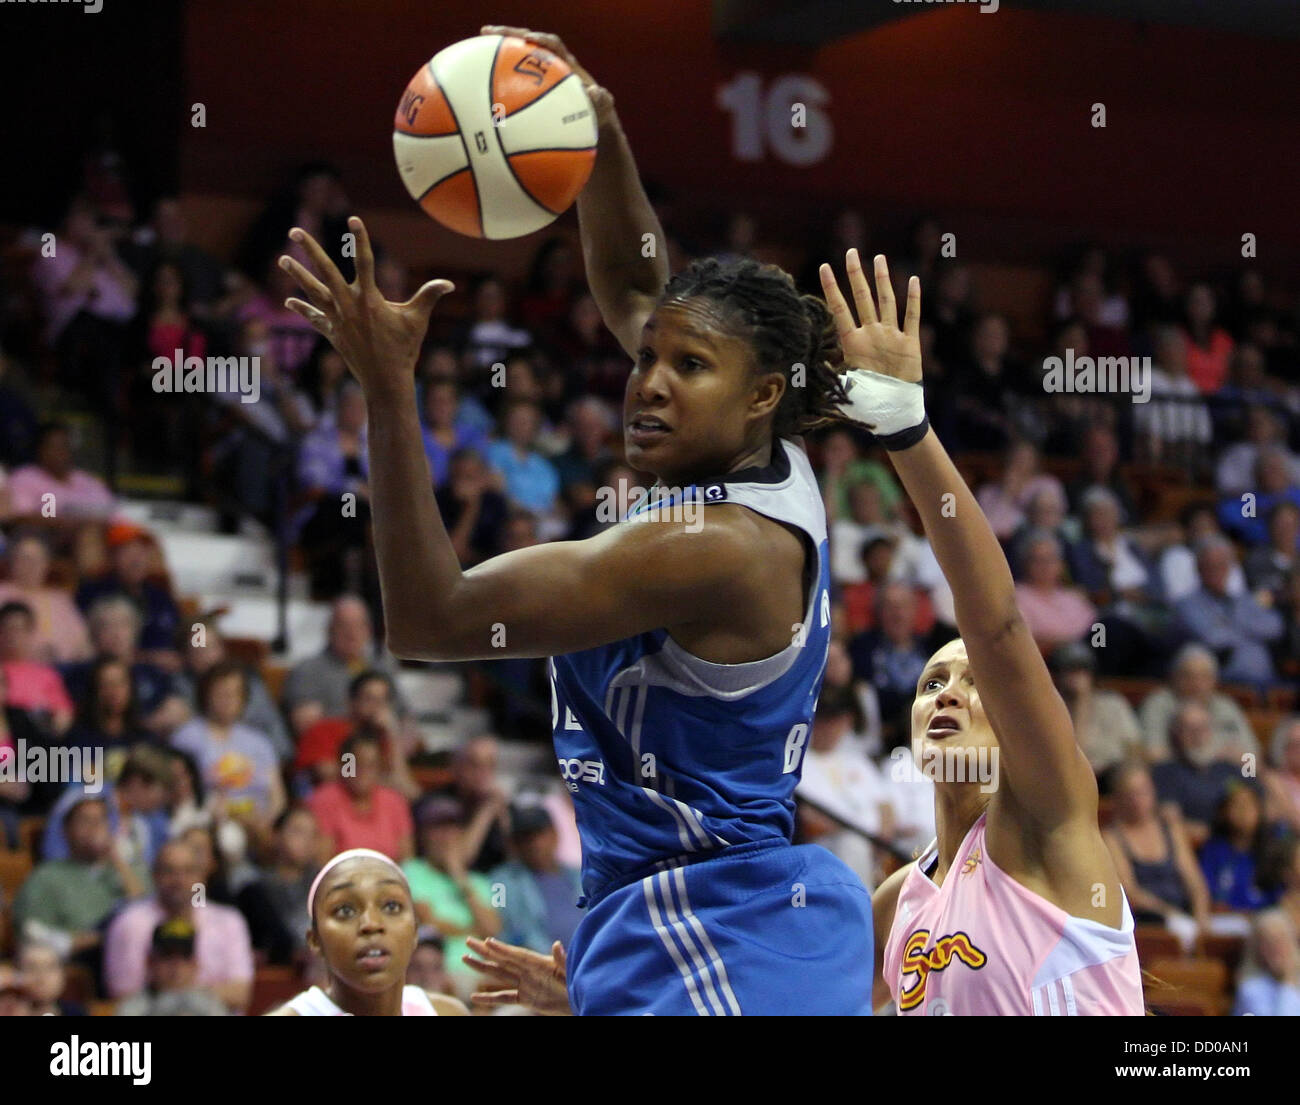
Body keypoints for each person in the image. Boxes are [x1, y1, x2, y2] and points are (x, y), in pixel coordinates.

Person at [279, 25, 886, 1014]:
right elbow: (639, 287)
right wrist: (593, 129)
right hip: (689, 914)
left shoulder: (717, 548)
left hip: (714, 930)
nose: (644, 385)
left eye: (684, 369)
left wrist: (388, 394)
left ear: (763, 391)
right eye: (649, 359)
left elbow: (431, 619)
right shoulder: (748, 442)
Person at [803, 255, 1144, 1016]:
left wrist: (904, 427)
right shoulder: (897, 901)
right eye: (931, 683)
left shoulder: (1051, 814)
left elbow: (994, 622)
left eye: (973, 681)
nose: (949, 692)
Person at [266, 849, 468, 1015]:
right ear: (315, 940)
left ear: (415, 930)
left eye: (391, 906)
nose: (371, 924)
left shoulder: (447, 1012)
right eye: (345, 910)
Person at [103, 839, 254, 1012]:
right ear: (154, 875)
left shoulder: (229, 921)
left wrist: (184, 994)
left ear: (201, 877)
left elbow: (241, 994)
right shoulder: (128, 923)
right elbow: (122, 994)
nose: (179, 880)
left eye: (188, 871)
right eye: (169, 871)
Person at [1102, 761, 1210, 946]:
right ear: (1118, 798)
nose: (1137, 800)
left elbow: (1195, 882)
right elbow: (1129, 891)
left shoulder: (1171, 830)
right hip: (1148, 919)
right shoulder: (1111, 838)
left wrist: (1202, 921)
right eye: (1130, 795)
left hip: (1184, 916)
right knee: (1181, 931)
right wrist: (1170, 914)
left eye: (1143, 792)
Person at [401, 797, 501, 995]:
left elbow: (492, 931)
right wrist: (472, 930)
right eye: (438, 829)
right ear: (423, 835)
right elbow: (428, 924)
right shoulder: (411, 870)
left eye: (452, 828)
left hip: (479, 974)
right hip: (436, 972)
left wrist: (458, 875)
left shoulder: (479, 881)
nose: (446, 837)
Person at [489, 802, 584, 954]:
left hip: (593, 958)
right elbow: (513, 930)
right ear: (514, 844)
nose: (534, 843)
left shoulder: (579, 874)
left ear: (554, 834)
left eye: (539, 834)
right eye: (525, 838)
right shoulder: (502, 881)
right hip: (546, 964)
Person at [1138, 643, 1258, 762]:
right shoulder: (1158, 703)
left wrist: (1249, 773)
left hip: (1226, 777)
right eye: (1188, 676)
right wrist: (1213, 754)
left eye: (1204, 677)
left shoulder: (1226, 706)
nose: (1197, 684)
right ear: (1174, 677)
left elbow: (1253, 759)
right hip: (1176, 777)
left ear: (1214, 680)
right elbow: (1153, 755)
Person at [305, 731, 414, 861]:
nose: (363, 771)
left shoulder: (394, 802)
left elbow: (407, 861)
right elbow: (322, 861)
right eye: (355, 763)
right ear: (343, 765)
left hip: (387, 878)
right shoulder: (324, 800)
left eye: (371, 765)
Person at [1150, 702, 1245, 848]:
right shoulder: (1165, 772)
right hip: (1196, 849)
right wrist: (1217, 834)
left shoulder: (1228, 767)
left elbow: (1257, 805)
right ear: (1176, 734)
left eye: (1203, 728)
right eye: (1190, 729)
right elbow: (1171, 823)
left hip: (1239, 847)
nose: (1198, 735)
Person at [1048, 642, 1142, 779]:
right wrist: (1080, 704)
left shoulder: (1113, 703)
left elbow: (1134, 747)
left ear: (1092, 673)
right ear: (1058, 675)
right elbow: (1071, 760)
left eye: (1081, 670)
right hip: (1072, 778)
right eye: (1069, 670)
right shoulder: (1051, 709)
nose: (1075, 677)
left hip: (1113, 776)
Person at [0, 534, 92, 663]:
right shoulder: (2, 593)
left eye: (37, 560)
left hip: (61, 669)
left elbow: (83, 645)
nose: (31, 566)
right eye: (24, 559)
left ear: (46, 564)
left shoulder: (61, 600)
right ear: (12, 562)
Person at [114, 919, 228, 1017]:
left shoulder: (210, 1005)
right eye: (168, 956)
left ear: (195, 964)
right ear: (151, 962)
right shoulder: (133, 1008)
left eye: (184, 957)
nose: (176, 965)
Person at [1198, 783, 1280, 912]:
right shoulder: (1213, 850)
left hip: (1266, 921)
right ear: (1224, 812)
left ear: (1260, 810)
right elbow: (1205, 892)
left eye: (1249, 805)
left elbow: (1280, 897)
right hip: (1223, 921)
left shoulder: (1272, 851)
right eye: (1236, 805)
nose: (1243, 811)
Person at [1232, 909, 1300, 1016]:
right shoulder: (1250, 989)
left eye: (1281, 939)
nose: (1277, 948)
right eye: (1268, 942)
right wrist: (1288, 980)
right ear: (1258, 950)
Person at [15, 939, 86, 1016]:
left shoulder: (76, 1012)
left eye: (50, 967)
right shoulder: (7, 1011)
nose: (41, 977)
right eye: (31, 968)